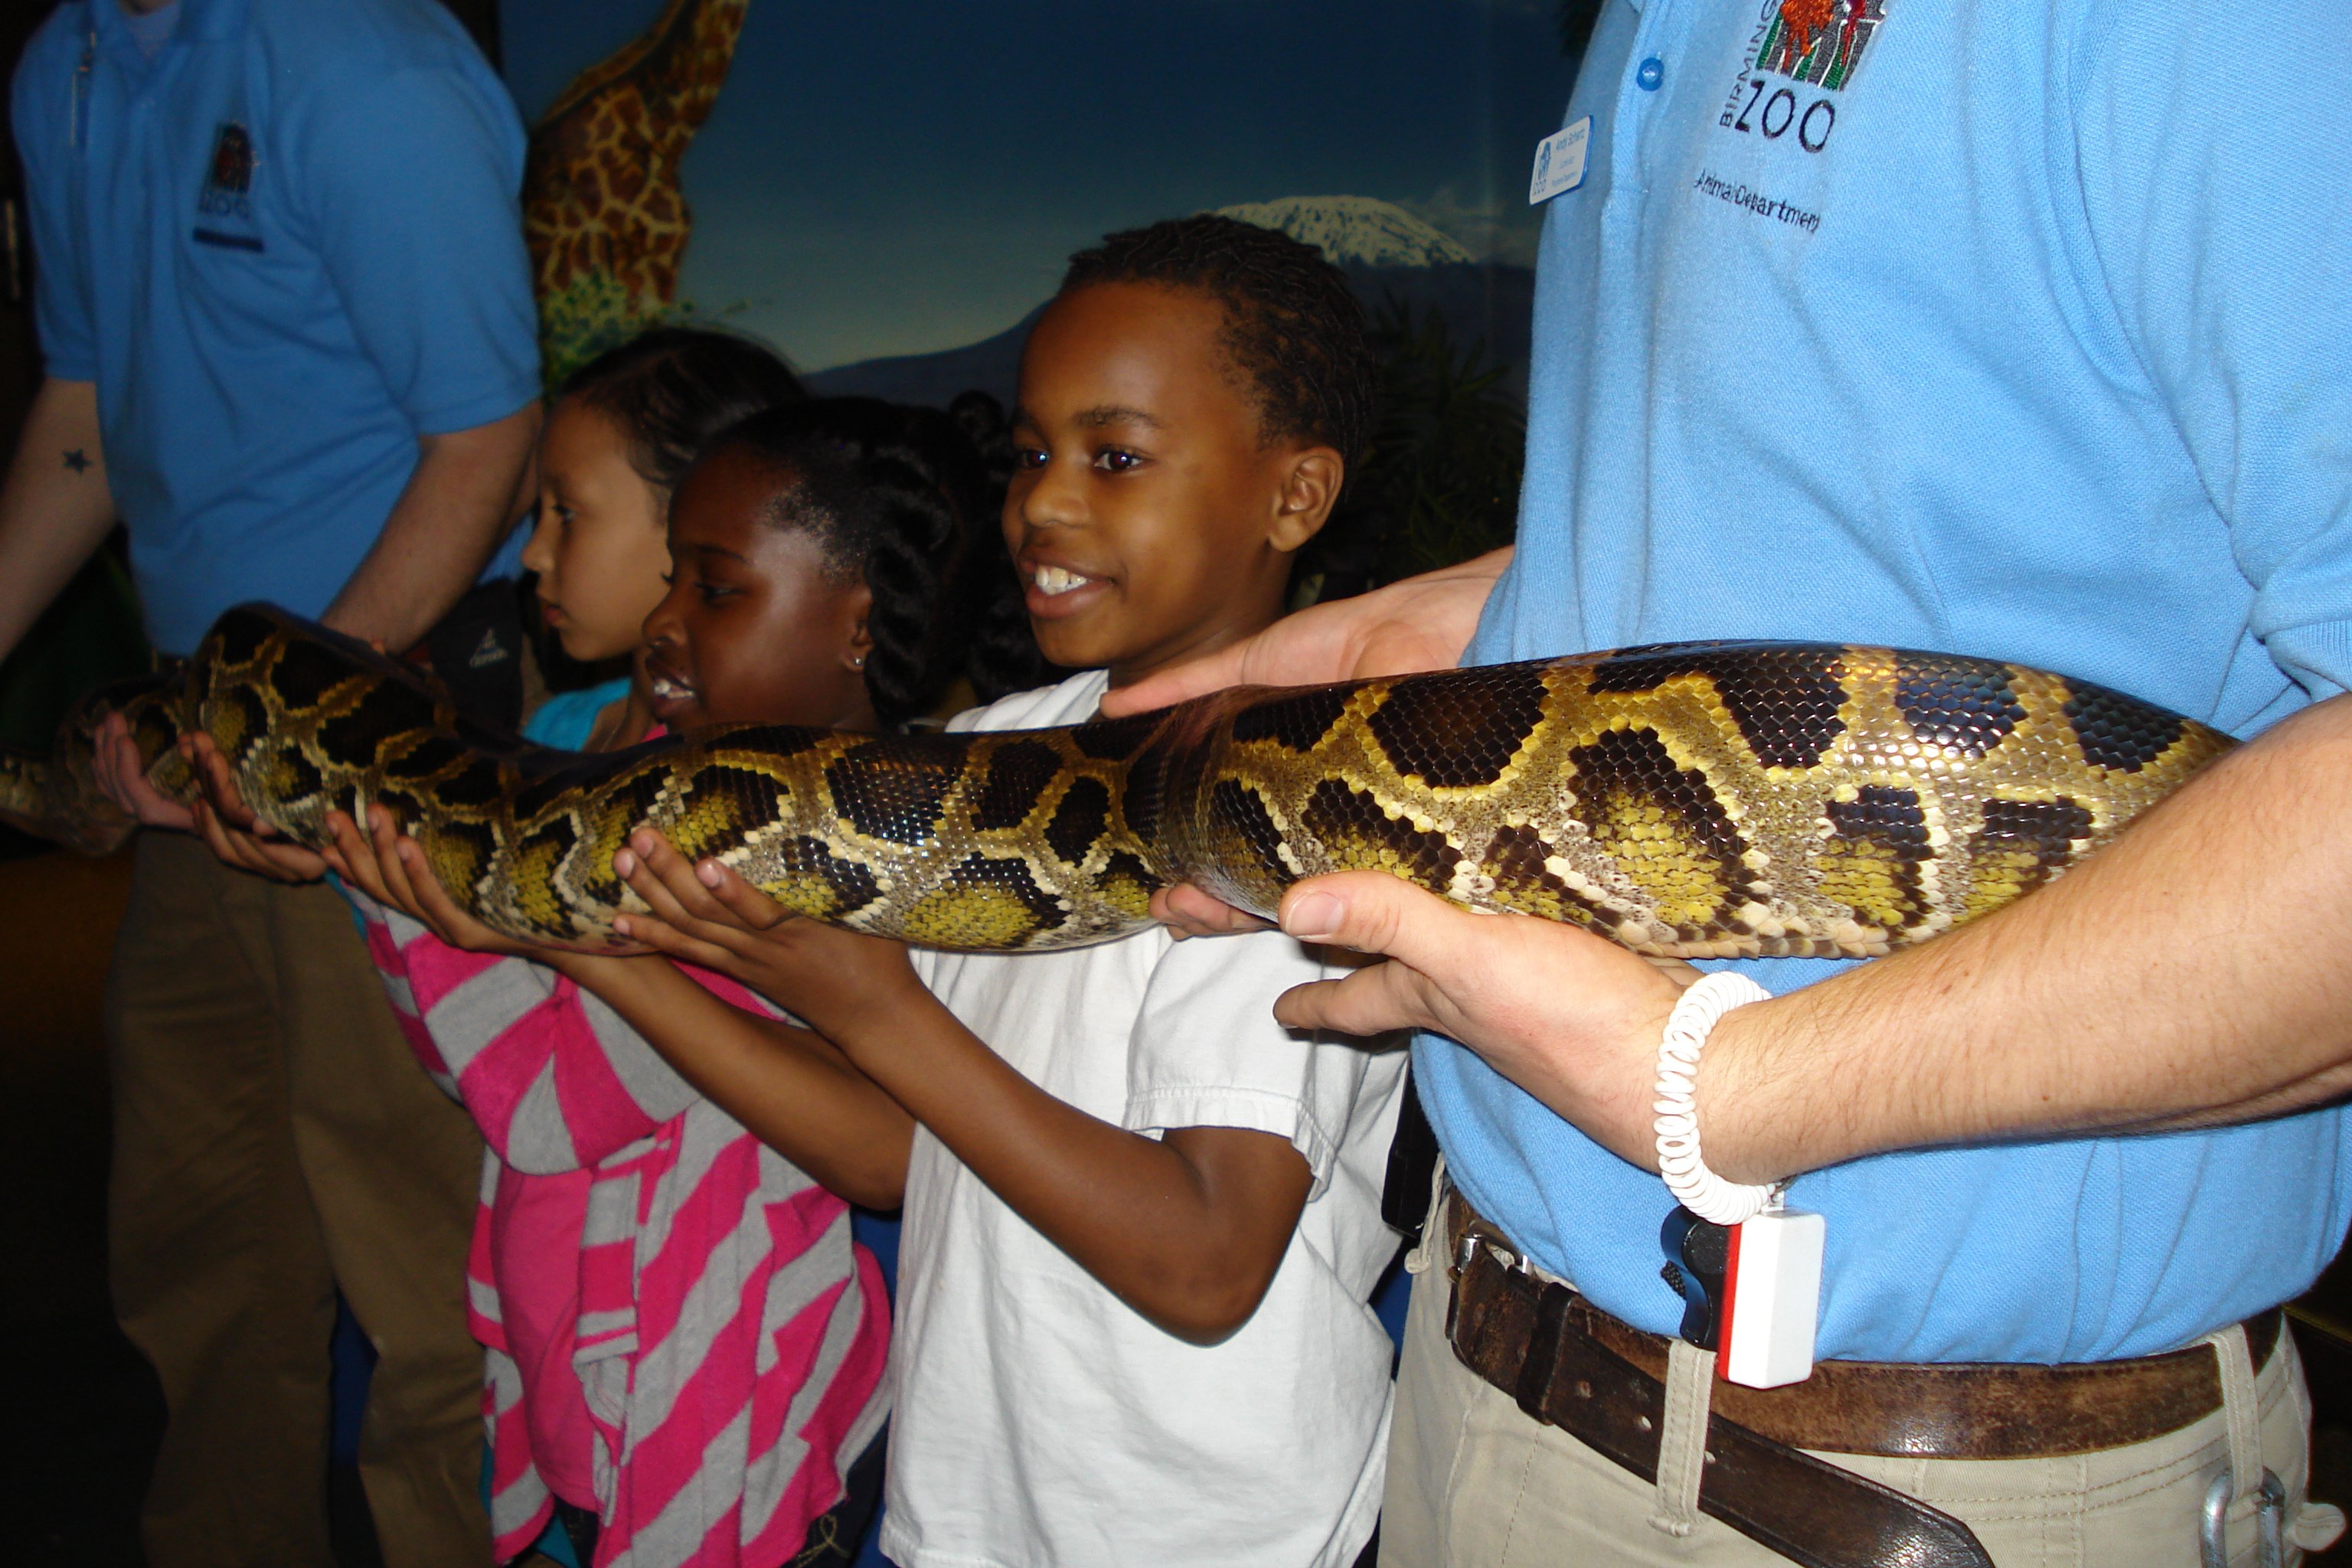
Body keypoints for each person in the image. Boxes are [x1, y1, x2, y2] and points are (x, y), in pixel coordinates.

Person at [1107, 0, 2352, 1563]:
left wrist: (1726, 1089)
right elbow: (1962, 494)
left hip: (1895, 1484)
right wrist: (1529, 603)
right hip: (1480, 1375)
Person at [597, 215, 1407, 1567]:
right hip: (974, 1514)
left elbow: (1207, 1263)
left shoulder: (1300, 806)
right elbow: (895, 1151)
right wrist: (592, 951)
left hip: (1208, 1540)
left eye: (1117, 456)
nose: (1042, 502)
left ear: (1295, 495)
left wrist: (874, 1013)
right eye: (1032, 453)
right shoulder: (988, 753)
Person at [188, 388, 1041, 1566]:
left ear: (858, 624)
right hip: (590, 1397)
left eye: (717, 587)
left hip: (724, 1425)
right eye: (669, 585)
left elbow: (535, 1102)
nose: (667, 623)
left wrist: (496, 919)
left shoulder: (788, 868)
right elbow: (474, 1049)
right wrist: (373, 864)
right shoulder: (638, 796)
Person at [2, 1, 541, 1563]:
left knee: (426, 1255)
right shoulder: (71, 64)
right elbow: (85, 415)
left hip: (397, 726)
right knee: (201, 1239)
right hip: (214, 737)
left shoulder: (363, 64)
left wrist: (267, 729)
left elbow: (489, 444)